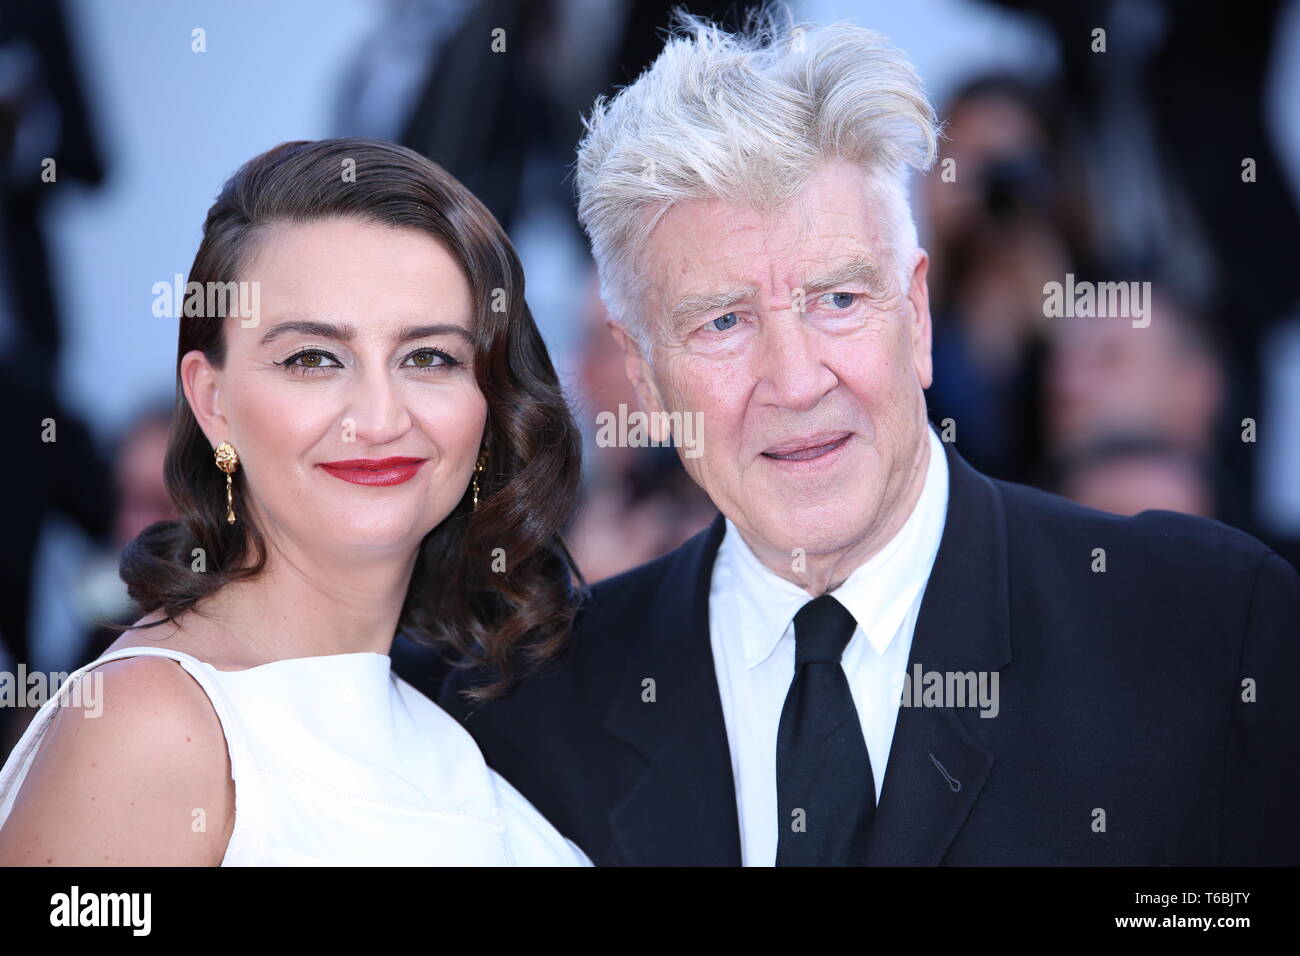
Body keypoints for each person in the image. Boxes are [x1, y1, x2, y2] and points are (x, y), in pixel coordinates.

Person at [430, 14, 1300, 866]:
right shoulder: (529, 720)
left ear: (917, 315)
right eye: (724, 321)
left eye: (838, 300)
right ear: (644, 377)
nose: (799, 380)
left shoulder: (1206, 629)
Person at [0, 138, 591, 866]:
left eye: (428, 357)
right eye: (313, 359)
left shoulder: (444, 720)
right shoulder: (152, 726)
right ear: (213, 405)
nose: (379, 418)